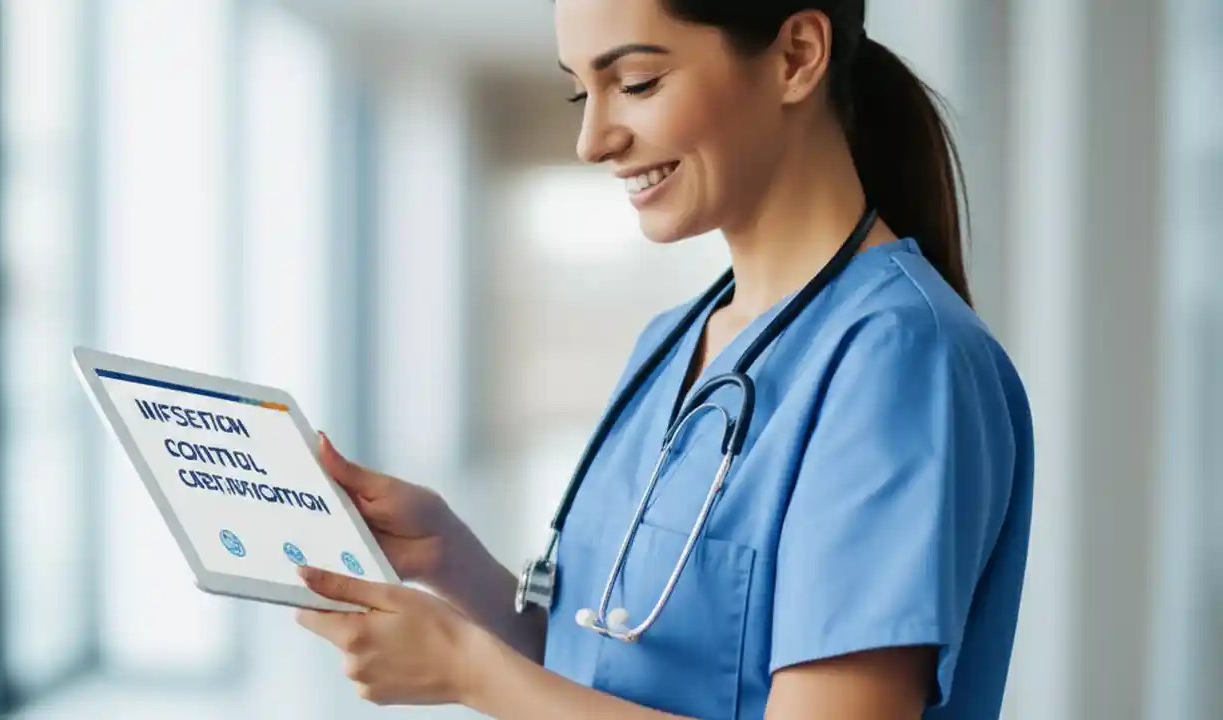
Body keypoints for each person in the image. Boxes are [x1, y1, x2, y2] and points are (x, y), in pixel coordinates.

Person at [292, 1, 1033, 718]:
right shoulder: (673, 342)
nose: (592, 140)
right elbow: (606, 668)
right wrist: (450, 559)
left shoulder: (896, 359)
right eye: (580, 91)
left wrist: (468, 670)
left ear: (796, 57)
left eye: (636, 83)